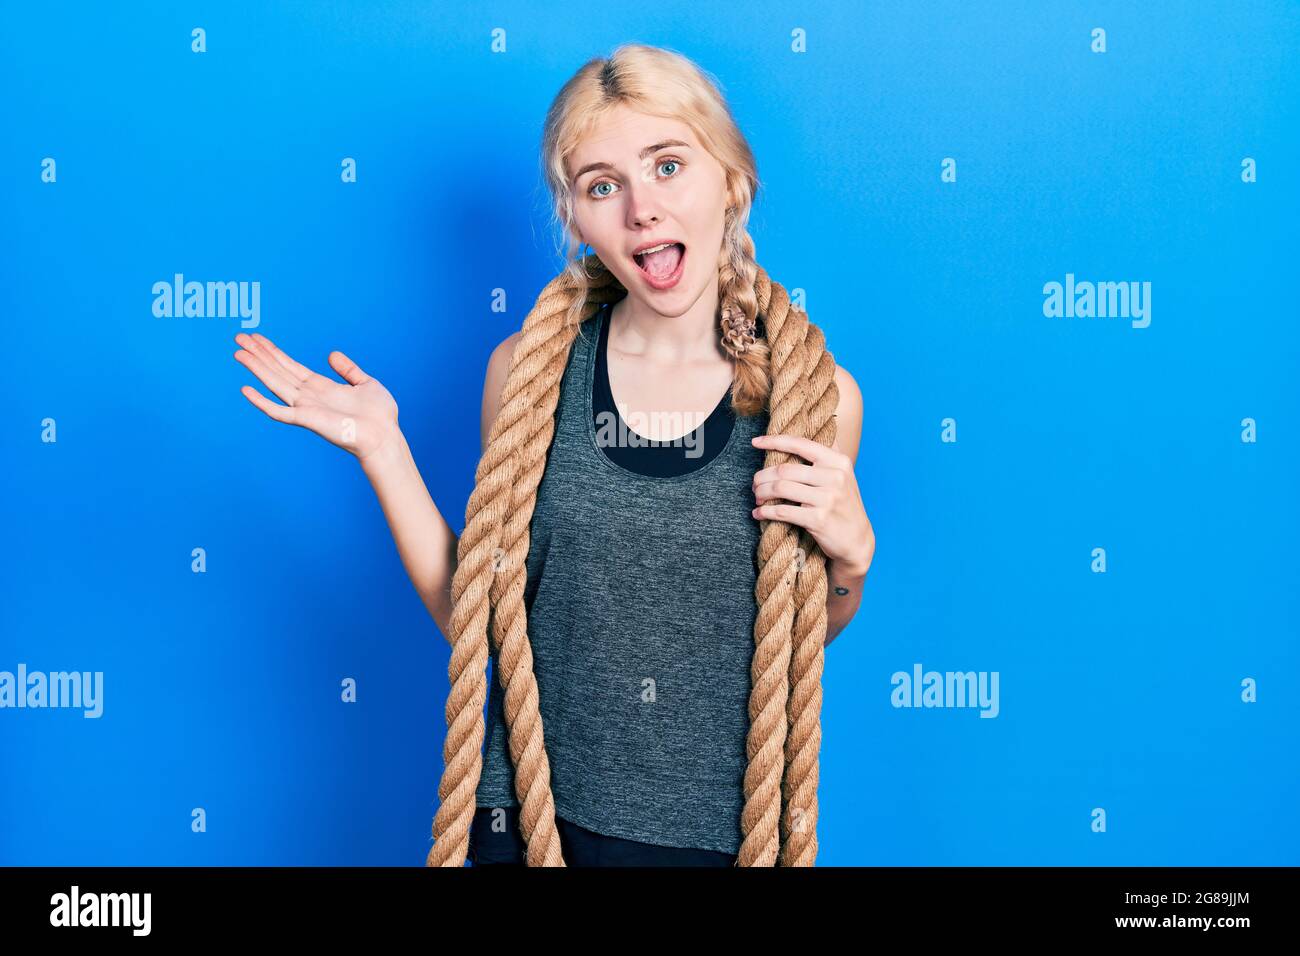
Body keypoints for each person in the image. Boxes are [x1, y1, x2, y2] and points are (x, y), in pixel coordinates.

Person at [233, 43, 875, 867]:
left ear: (731, 180)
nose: (642, 208)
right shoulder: (529, 377)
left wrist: (853, 560)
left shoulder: (812, 398)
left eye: (669, 165)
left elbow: (793, 646)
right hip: (526, 823)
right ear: (575, 219)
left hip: (709, 835)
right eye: (603, 186)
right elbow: (480, 626)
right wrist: (383, 449)